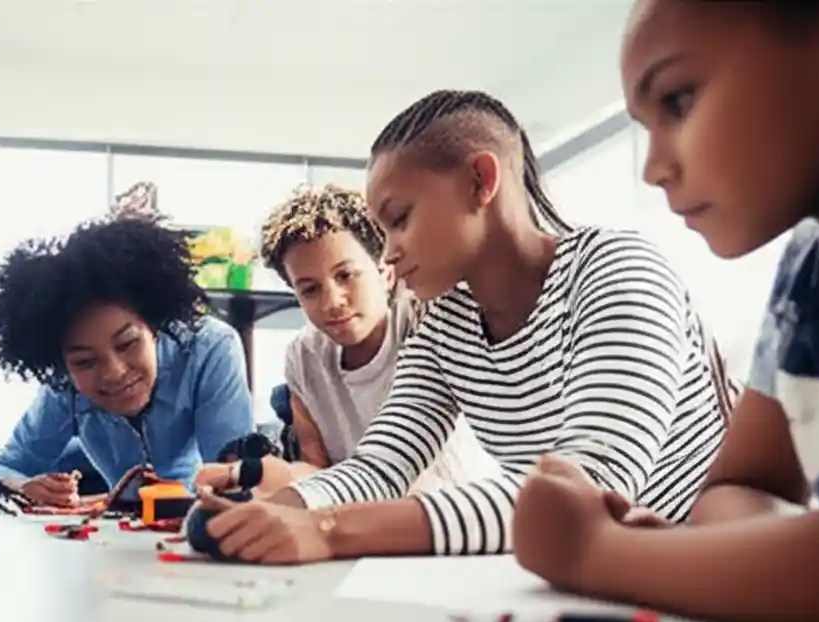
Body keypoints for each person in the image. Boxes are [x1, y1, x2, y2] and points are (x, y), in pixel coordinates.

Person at [197, 89, 735, 564]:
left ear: (480, 180)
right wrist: (268, 511)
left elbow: (587, 489)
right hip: (596, 579)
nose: (390, 252)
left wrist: (327, 530)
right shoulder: (444, 328)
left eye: (400, 218)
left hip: (711, 576)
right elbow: (380, 466)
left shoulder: (618, 270)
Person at [513, 0, 819, 622]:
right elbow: (739, 486)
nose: (653, 168)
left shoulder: (614, 267)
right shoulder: (810, 270)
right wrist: (710, 566)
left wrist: (600, 554)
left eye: (678, 101)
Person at [197, 184, 495, 495]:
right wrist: (248, 474)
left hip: (467, 522)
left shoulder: (428, 321)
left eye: (346, 275)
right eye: (310, 289)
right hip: (367, 525)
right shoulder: (304, 356)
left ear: (386, 272)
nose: (332, 301)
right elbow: (315, 467)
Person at [0, 216, 254, 506]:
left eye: (127, 344)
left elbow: (236, 480)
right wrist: (23, 486)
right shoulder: (65, 385)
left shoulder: (209, 348)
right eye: (85, 361)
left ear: (154, 325)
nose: (114, 372)